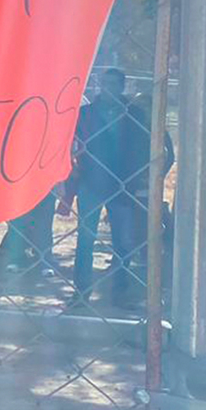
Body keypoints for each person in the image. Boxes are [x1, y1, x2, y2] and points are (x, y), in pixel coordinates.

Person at [63, 68, 156, 306]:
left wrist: (138, 179)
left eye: (114, 84)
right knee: (85, 238)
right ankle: (81, 291)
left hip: (122, 183)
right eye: (104, 83)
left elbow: (142, 148)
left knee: (123, 242)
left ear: (122, 87)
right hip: (90, 182)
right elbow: (70, 145)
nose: (108, 88)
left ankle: (120, 292)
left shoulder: (134, 114)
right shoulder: (85, 114)